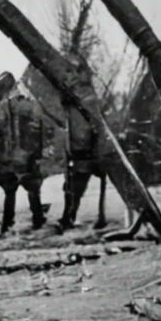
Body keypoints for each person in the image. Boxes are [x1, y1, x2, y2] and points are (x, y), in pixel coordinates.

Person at [0, 71, 48, 234]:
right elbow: (39, 129)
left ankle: (7, 224)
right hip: (28, 154)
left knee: (10, 192)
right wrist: (37, 154)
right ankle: (38, 219)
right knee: (33, 189)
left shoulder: (2, 107)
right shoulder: (30, 104)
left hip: (8, 157)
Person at [59, 95, 100, 231]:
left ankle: (69, 217)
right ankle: (68, 217)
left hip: (82, 155)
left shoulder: (82, 113)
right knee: (71, 189)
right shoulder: (72, 114)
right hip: (75, 155)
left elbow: (86, 134)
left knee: (75, 189)